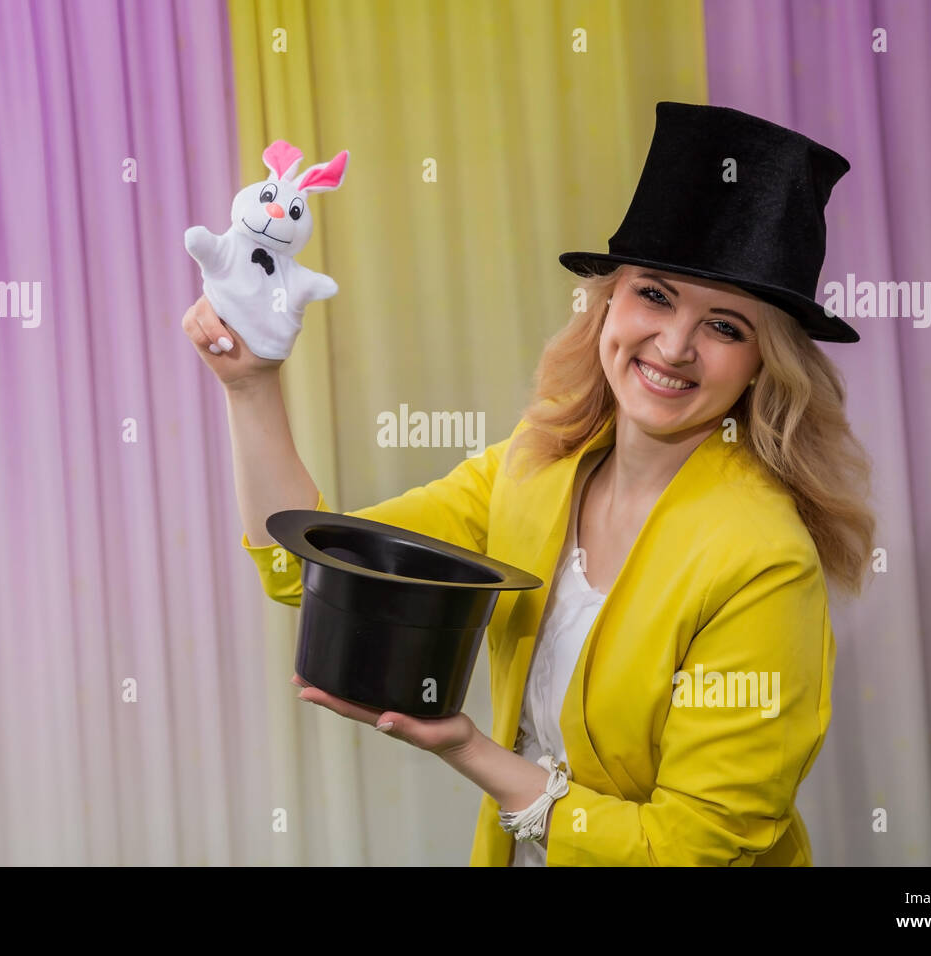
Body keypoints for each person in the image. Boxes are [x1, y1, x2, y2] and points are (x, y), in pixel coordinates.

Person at [184, 102, 876, 866]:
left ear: (763, 362)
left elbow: (693, 849)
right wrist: (251, 386)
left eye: (726, 326)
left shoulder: (763, 561)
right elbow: (307, 564)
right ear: (608, 299)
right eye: (655, 294)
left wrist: (470, 750)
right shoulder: (537, 466)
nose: (674, 346)